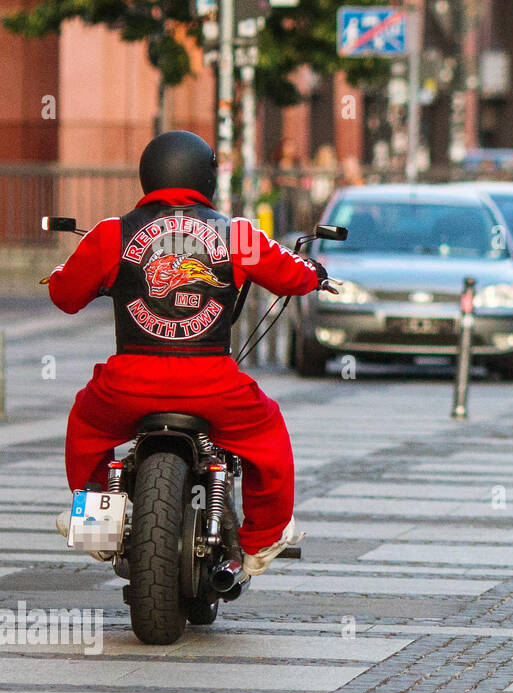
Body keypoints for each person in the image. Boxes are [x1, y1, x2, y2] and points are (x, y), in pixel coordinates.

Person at [49, 130, 326, 575]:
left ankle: (97, 524)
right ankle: (260, 540)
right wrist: (314, 273)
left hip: (127, 385)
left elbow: (65, 294)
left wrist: (65, 273)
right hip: (213, 384)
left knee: (85, 423)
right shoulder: (235, 232)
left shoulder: (111, 233)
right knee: (267, 433)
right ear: (206, 178)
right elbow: (289, 275)